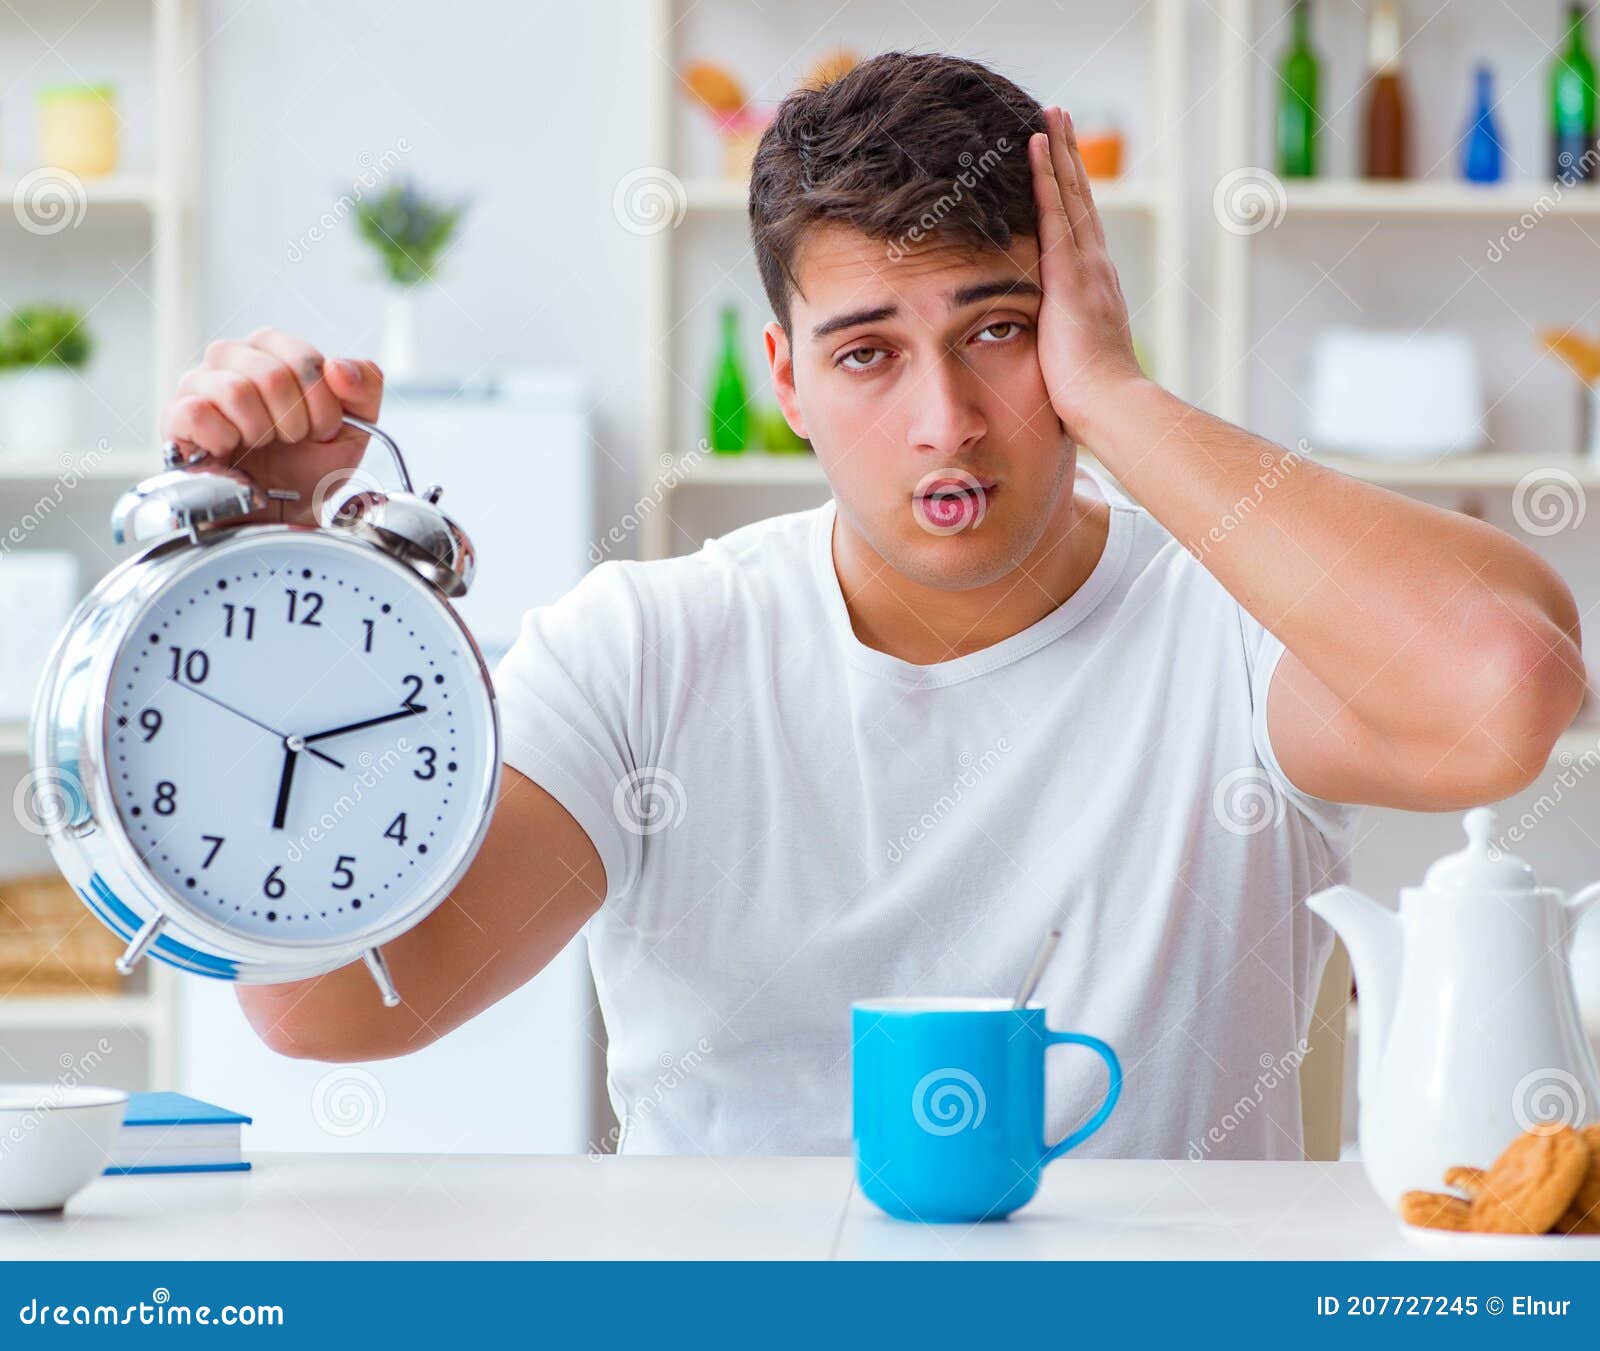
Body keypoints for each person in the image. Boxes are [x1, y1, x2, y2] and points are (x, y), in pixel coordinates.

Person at [158, 52, 1583, 1159]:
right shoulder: (646, 651)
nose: (944, 420)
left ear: (1076, 326)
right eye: (866, 354)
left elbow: (1504, 688)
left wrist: (1120, 400)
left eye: (999, 331)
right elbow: (328, 1007)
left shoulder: (1233, 625)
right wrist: (276, 588)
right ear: (784, 379)